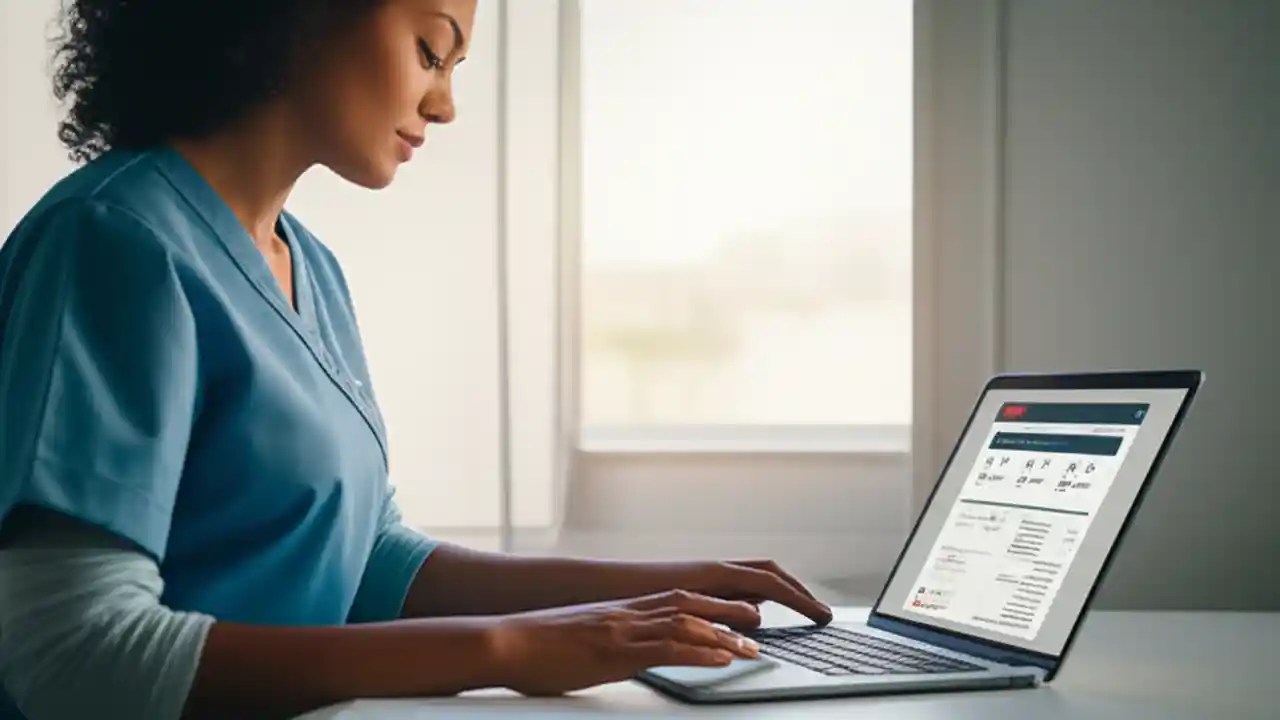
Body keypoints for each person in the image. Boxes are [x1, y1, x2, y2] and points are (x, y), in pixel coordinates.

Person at [0, 1, 833, 718]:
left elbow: (368, 561)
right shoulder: (114, 244)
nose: (444, 105)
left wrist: (657, 593)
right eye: (431, 51)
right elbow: (72, 656)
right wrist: (505, 650)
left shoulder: (308, 267)